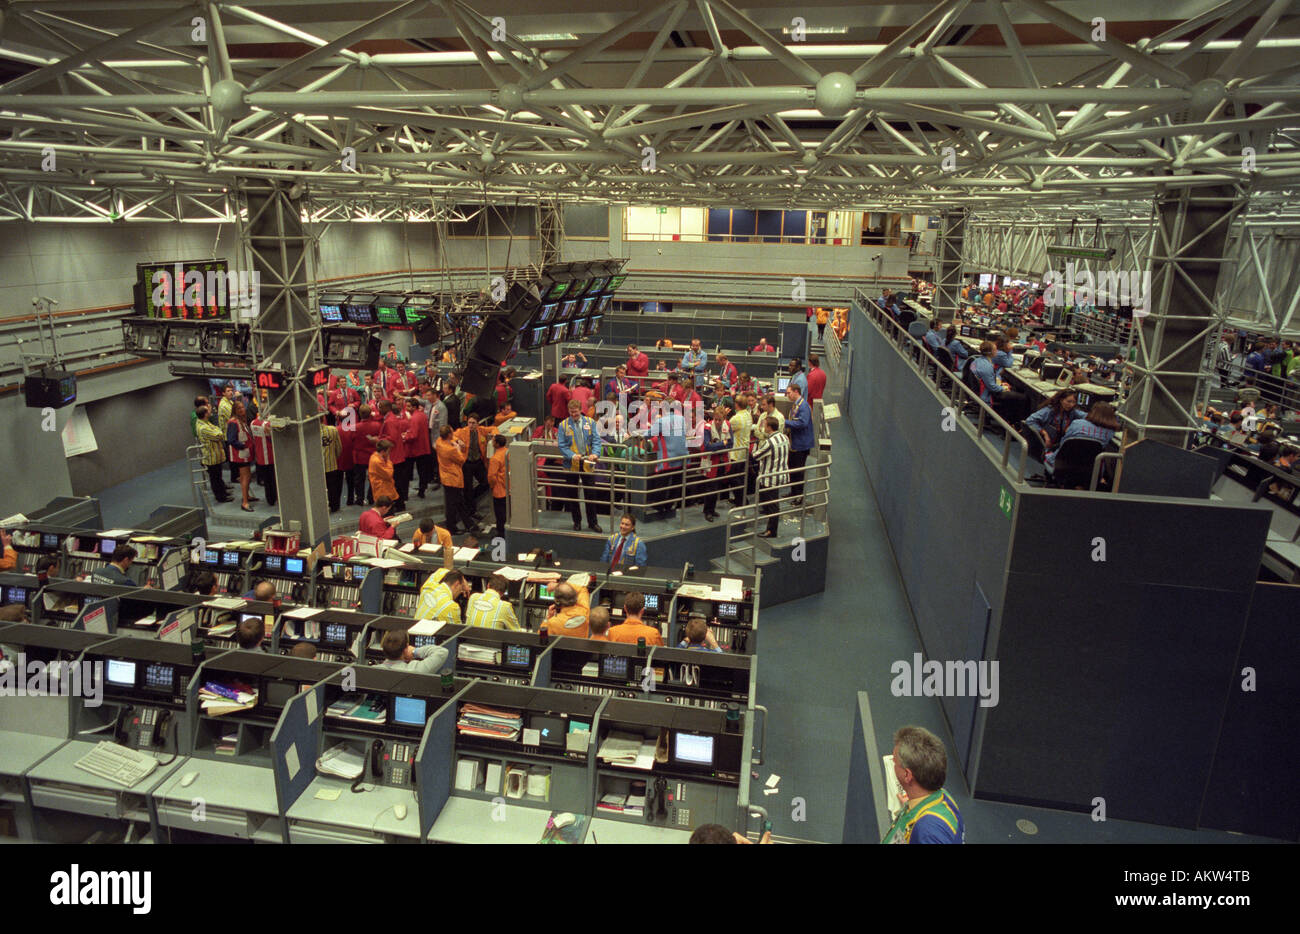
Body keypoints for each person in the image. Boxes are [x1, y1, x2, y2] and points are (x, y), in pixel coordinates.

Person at [882, 726, 964, 844]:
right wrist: (911, 806)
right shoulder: (943, 796)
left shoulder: (928, 832)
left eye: (894, 762)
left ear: (907, 775)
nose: (893, 764)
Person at [556, 398, 603, 532]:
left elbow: (596, 441)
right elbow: (562, 445)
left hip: (587, 462)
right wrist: (572, 455)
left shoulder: (590, 422)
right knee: (572, 495)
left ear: (580, 410)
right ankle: (576, 522)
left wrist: (595, 453)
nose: (574, 415)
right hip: (571, 464)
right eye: (571, 413)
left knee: (590, 494)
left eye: (576, 413)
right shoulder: (563, 425)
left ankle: (593, 523)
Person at [1045, 402, 1120, 472]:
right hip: (1089, 470)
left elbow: (1063, 444)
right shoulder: (1110, 432)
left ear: (1092, 412)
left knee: (1048, 451)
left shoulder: (1077, 423)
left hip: (1062, 465)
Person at [645, 400, 689, 519]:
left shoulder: (661, 421)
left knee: (662, 483)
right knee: (676, 484)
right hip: (682, 458)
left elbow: (647, 435)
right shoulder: (682, 419)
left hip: (668, 459)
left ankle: (659, 507)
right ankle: (669, 506)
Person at [971, 341, 1028, 424]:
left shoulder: (976, 360)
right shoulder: (987, 366)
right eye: (995, 350)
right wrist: (1003, 388)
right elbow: (992, 388)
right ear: (990, 352)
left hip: (981, 390)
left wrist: (1000, 384)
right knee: (1023, 398)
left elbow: (986, 380)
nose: (997, 351)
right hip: (988, 394)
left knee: (1013, 388)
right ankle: (1015, 424)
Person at [436, 425, 478, 536]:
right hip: (453, 478)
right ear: (449, 434)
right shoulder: (450, 450)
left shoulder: (439, 442)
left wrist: (457, 440)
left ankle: (469, 524)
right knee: (453, 505)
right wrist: (459, 449)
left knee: (458, 502)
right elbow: (461, 460)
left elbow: (453, 439)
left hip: (445, 477)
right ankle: (452, 527)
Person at [752, 415, 790, 538]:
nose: (763, 427)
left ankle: (771, 531)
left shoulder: (770, 442)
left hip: (769, 478)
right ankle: (770, 527)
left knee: (772, 505)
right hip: (781, 475)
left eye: (765, 425)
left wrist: (755, 447)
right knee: (772, 503)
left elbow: (756, 456)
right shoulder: (785, 438)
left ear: (769, 427)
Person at [695, 404, 732, 522]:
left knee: (717, 487)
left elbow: (731, 443)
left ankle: (712, 509)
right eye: (715, 419)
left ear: (724, 419)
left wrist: (716, 445)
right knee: (710, 488)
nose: (717, 422)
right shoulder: (707, 427)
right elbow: (707, 446)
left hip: (722, 461)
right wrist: (723, 443)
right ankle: (707, 511)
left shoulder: (728, 425)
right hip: (710, 462)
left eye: (720, 420)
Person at [1024, 389, 1086, 454]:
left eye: (1074, 402)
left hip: (1059, 444)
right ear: (1061, 400)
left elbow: (1086, 416)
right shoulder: (1049, 410)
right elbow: (1030, 420)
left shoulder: (1072, 411)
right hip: (1047, 444)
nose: (1071, 405)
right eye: (1069, 401)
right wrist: (1044, 433)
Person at [454, 413, 494, 511]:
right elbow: (452, 436)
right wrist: (458, 441)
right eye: (469, 423)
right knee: (468, 487)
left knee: (486, 482)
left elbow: (494, 428)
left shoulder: (481, 431)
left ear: (478, 424)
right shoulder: (462, 431)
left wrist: (494, 436)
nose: (471, 425)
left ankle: (472, 496)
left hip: (478, 461)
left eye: (473, 423)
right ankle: (471, 507)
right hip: (466, 463)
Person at [193, 405, 231, 503]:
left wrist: (217, 430)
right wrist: (219, 431)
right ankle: (221, 497)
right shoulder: (203, 427)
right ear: (205, 414)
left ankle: (223, 493)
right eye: (208, 411)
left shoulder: (203, 422)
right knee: (215, 479)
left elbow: (216, 429)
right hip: (211, 457)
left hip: (215, 455)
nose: (210, 412)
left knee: (218, 477)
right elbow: (219, 435)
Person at [784, 383, 814, 505]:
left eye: (789, 392)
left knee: (798, 471)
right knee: (792, 468)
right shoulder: (796, 405)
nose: (787, 395)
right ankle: (794, 491)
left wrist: (785, 422)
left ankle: (800, 496)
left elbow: (803, 423)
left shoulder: (804, 407)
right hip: (794, 442)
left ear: (796, 391)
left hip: (802, 445)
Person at [378, 400, 410, 509]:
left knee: (396, 483)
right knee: (397, 482)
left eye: (380, 407)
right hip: (397, 455)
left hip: (395, 456)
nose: (379, 409)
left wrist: (379, 440)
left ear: (386, 408)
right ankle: (399, 503)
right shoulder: (391, 418)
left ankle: (400, 504)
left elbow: (392, 439)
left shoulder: (389, 421)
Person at [226, 401, 256, 511]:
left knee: (246, 477)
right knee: (245, 477)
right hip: (241, 455)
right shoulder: (233, 423)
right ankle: (245, 502)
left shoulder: (241, 421)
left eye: (243, 407)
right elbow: (231, 440)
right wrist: (242, 446)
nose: (242, 409)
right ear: (235, 410)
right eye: (239, 408)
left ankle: (247, 496)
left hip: (245, 453)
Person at [403, 397, 434, 500]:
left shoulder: (414, 418)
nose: (406, 408)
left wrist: (404, 437)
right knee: (422, 472)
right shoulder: (422, 415)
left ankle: (404, 494)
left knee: (406, 472)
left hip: (414, 449)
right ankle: (422, 490)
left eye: (408, 406)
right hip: (423, 448)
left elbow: (413, 435)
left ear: (414, 407)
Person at [378, 629, 449, 673]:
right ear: (406, 649)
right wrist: (415, 651)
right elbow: (442, 652)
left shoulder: (373, 670)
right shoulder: (415, 670)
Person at [352, 404, 381, 506]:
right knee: (373, 478)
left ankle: (360, 499)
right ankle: (371, 497)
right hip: (373, 456)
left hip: (360, 457)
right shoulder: (377, 425)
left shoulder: (355, 427)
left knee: (359, 479)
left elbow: (352, 440)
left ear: (359, 414)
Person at [728, 393, 754, 507]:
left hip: (736, 453)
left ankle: (741, 501)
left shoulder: (736, 418)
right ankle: (742, 499)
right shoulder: (748, 415)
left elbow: (726, 430)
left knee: (734, 478)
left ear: (736, 405)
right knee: (740, 477)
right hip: (745, 450)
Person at [368, 439, 398, 516]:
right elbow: (389, 474)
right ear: (383, 451)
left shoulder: (376, 457)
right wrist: (388, 460)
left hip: (384, 491)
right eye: (388, 451)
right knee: (388, 519)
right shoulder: (377, 461)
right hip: (383, 493)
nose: (389, 453)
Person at [488, 434, 510, 539]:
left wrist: (492, 486)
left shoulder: (495, 459)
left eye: (493, 441)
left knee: (500, 514)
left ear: (497, 444)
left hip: (499, 490)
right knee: (507, 512)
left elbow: (491, 476)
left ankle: (501, 534)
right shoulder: (508, 452)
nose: (492, 442)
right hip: (508, 487)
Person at [321, 413, 344, 512]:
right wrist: (334, 457)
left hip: (317, 467)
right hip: (331, 464)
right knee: (333, 488)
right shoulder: (333, 430)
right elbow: (339, 448)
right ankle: (334, 507)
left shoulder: (310, 434)